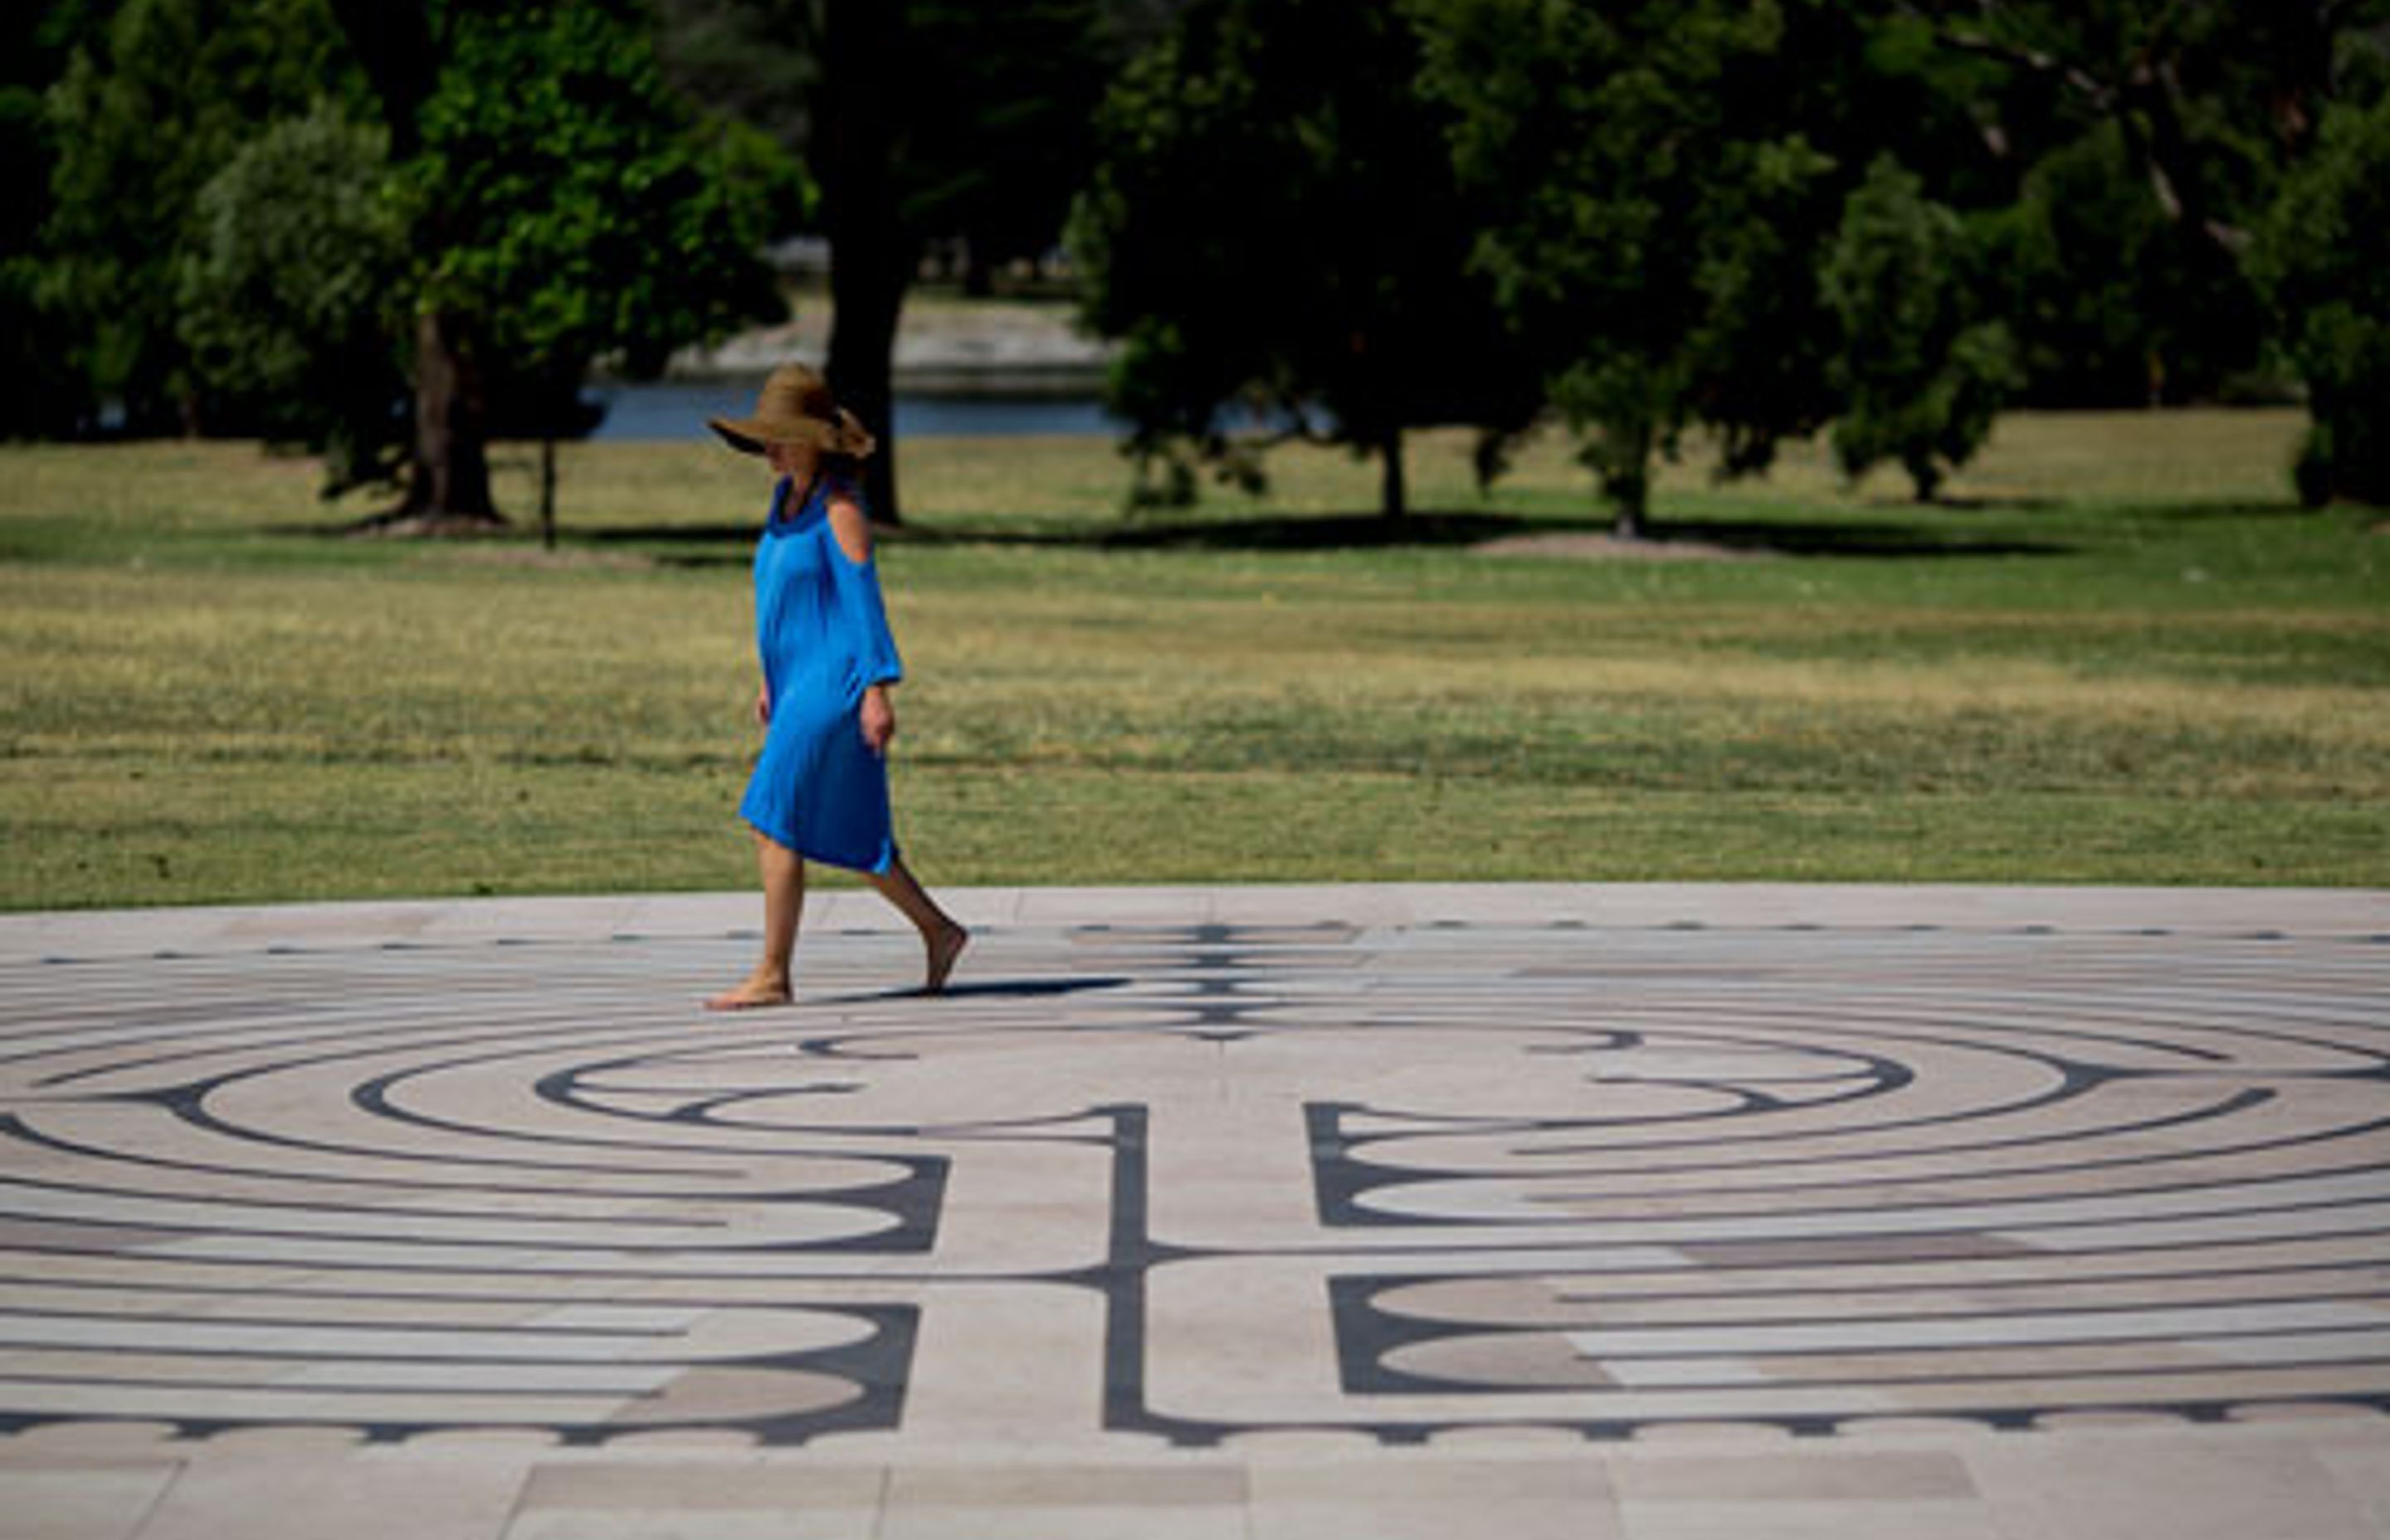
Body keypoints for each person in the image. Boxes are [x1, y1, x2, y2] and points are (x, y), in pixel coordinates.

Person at [701, 366, 968, 1009]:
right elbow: (781, 599)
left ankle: (773, 975)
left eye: (783, 437)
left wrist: (877, 690)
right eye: (766, 437)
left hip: (834, 685)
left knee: (772, 818)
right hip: (795, 683)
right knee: (851, 833)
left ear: (817, 440)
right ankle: (940, 930)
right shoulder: (784, 502)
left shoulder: (840, 506)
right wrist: (769, 677)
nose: (770, 448)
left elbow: (861, 603)